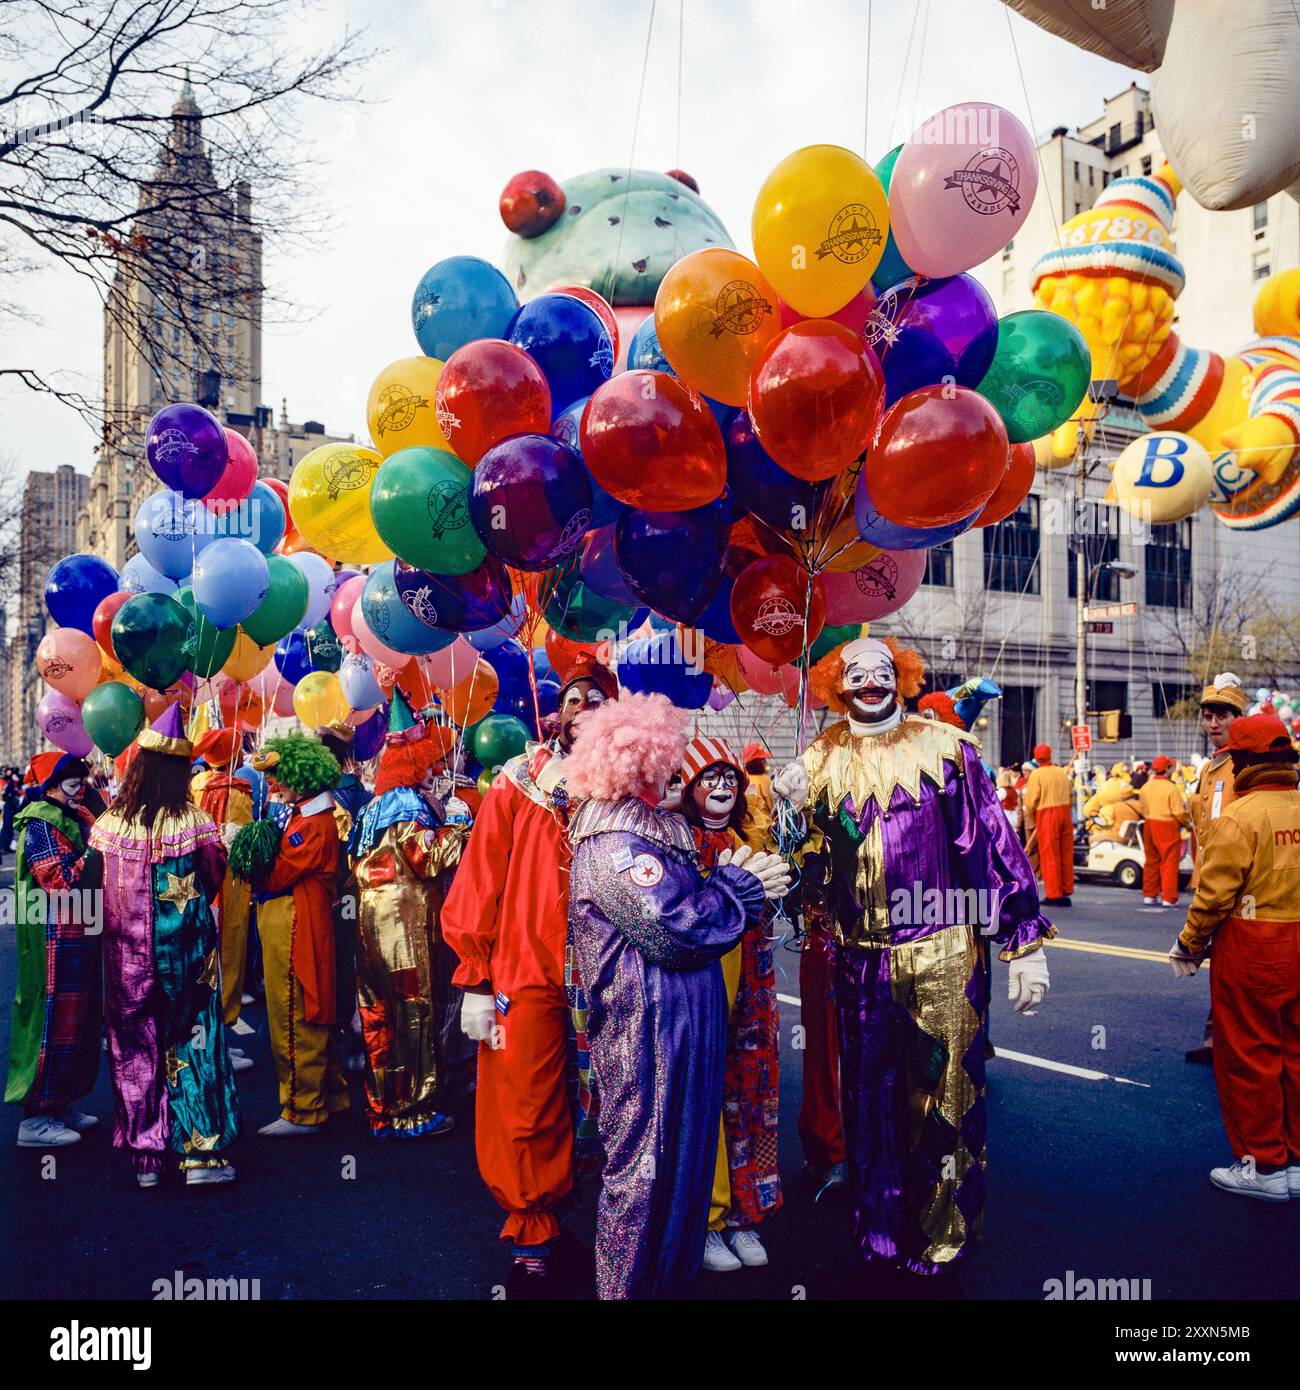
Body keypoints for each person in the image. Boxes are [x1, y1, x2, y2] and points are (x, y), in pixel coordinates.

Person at [774, 636, 1053, 1277]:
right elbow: (808, 877)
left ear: (899, 678)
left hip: (945, 950)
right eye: (855, 675)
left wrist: (1023, 940)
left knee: (947, 1099)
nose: (869, 684)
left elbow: (990, 841)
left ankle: (944, 1234)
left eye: (881, 673)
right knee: (869, 1103)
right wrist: (788, 817)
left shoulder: (947, 748)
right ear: (836, 686)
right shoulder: (817, 759)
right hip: (859, 958)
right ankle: (878, 1231)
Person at [565, 693, 790, 1298]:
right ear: (633, 767)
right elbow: (678, 926)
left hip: (678, 1030)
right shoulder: (615, 843)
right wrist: (741, 887)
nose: (675, 776)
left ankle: (665, 1279)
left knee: (681, 1167)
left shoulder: (654, 836)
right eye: (663, 765)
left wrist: (729, 884)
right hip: (647, 1038)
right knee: (645, 1170)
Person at [441, 655, 619, 1287]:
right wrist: (476, 977)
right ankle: (532, 1226)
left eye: (596, 698)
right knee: (524, 1099)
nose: (582, 708)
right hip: (526, 971)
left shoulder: (636, 781)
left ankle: (619, 1223)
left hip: (614, 974)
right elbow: (482, 876)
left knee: (620, 1101)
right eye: (572, 699)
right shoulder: (521, 780)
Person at [90, 707, 239, 1187]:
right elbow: (215, 877)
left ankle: (146, 1157)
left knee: (134, 1048)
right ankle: (199, 1153)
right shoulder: (194, 821)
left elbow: (90, 888)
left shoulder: (110, 826)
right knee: (193, 1042)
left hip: (125, 959)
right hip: (188, 956)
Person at [1169, 713, 1300, 1202]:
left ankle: (1264, 1165)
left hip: (1254, 946)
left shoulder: (1239, 817)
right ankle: (1294, 1162)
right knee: (1295, 1054)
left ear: (1243, 760)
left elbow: (1213, 897)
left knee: (1251, 1054)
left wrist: (1190, 944)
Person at [676, 736, 782, 1273]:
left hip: (755, 989)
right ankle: (709, 1220)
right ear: (689, 786)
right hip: (701, 985)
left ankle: (745, 1212)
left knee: (752, 1089)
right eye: (707, 777)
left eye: (728, 777)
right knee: (706, 1095)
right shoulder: (676, 842)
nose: (720, 786)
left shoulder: (752, 835)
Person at [349, 696, 468, 1138]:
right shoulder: (409, 805)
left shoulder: (372, 807)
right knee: (414, 1008)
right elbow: (427, 857)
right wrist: (461, 826)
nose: (437, 770)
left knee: (378, 1012)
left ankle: (383, 1107)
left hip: (369, 916)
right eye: (431, 762)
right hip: (404, 918)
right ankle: (415, 1108)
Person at [229, 733, 349, 1136]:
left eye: (280, 776)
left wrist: (247, 852)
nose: (275, 784)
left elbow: (280, 870)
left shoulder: (312, 821)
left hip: (299, 923)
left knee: (293, 1010)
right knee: (303, 1008)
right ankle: (327, 1095)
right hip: (299, 918)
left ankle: (303, 1107)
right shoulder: (305, 813)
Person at [6, 754, 101, 1148]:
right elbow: (58, 880)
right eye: (72, 783)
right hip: (53, 936)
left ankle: (59, 1104)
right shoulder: (42, 820)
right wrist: (98, 849)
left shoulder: (76, 815)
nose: (80, 788)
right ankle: (35, 1119)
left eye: (82, 781)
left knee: (75, 1024)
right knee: (50, 1023)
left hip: (77, 931)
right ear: (50, 785)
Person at [1184, 673, 1248, 1063]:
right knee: (1222, 965)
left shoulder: (1245, 764)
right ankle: (1218, 1036)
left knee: (1238, 966)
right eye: (1208, 716)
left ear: (1237, 718)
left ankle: (1230, 1040)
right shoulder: (1209, 768)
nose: (1213, 724)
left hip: (1239, 881)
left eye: (1221, 716)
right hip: (1213, 877)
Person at [190, 727, 254, 1065]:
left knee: (203, 960)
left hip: (199, 885)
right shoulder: (238, 791)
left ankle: (210, 1039)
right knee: (228, 958)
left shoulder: (195, 786)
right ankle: (219, 1042)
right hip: (229, 886)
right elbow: (242, 843)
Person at [1021, 743, 1074, 906]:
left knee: (1049, 854)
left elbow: (1031, 801)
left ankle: (1053, 894)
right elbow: (1071, 795)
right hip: (1065, 813)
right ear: (1050, 755)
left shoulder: (1037, 775)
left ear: (1036, 757)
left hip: (1046, 814)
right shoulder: (1062, 772)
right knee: (1065, 853)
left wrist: (1033, 816)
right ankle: (1066, 889)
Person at [1138, 754, 1191, 907]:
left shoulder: (1146, 787)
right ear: (1167, 769)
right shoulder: (1171, 788)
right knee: (1169, 862)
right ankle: (1168, 897)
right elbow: (1179, 812)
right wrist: (1187, 823)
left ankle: (1149, 894)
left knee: (1151, 860)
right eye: (1170, 767)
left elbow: (1141, 808)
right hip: (1167, 825)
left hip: (1149, 823)